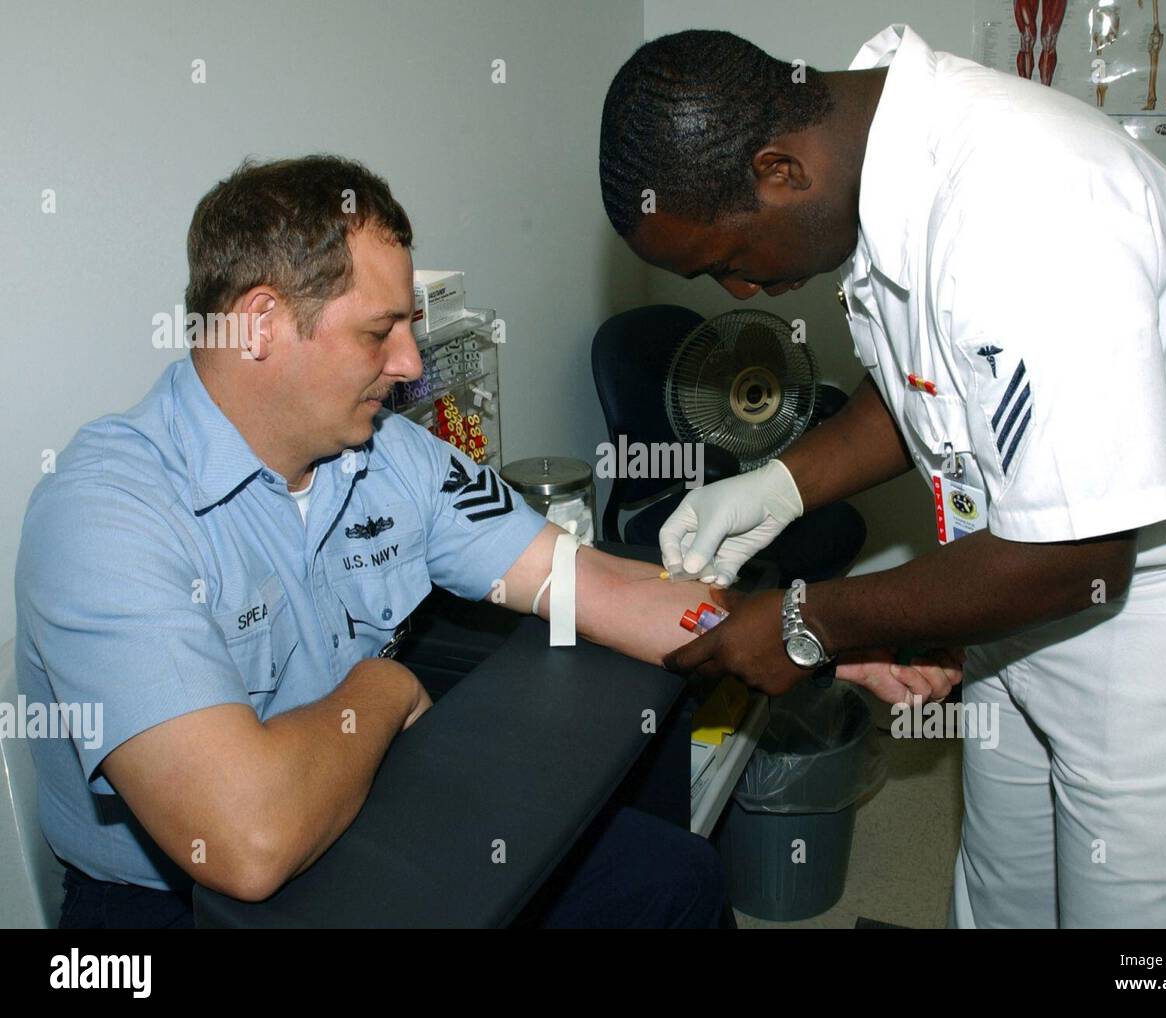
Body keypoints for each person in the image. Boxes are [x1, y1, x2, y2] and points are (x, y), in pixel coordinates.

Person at [598, 25, 1166, 928]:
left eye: (729, 263)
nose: (738, 292)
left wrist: (807, 623)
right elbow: (923, 389)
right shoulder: (885, 163)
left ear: (779, 172)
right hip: (1013, 590)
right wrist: (778, 486)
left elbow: (1078, 552)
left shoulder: (1030, 207)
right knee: (1007, 896)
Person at [16, 155, 782, 929]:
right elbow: (245, 842)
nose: (410, 366)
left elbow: (586, 583)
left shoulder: (390, 452)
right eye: (379, 332)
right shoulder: (104, 517)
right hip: (174, 902)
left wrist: (808, 637)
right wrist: (383, 692)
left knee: (674, 879)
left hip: (363, 805)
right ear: (259, 327)